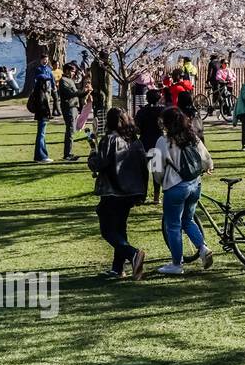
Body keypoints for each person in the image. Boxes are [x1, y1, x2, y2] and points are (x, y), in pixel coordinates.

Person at [88, 108, 149, 279]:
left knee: (108, 231)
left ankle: (133, 254)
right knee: (120, 229)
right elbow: (144, 167)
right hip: (130, 191)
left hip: (112, 191)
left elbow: (98, 164)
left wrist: (92, 153)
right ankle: (117, 268)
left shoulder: (110, 140)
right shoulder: (134, 141)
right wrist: (142, 192)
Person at [152, 106, 214, 276]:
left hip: (175, 187)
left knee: (173, 225)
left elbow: (157, 170)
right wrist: (208, 167)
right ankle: (202, 248)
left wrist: (159, 182)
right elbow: (205, 157)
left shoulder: (162, 142)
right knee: (188, 220)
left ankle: (177, 264)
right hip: (195, 184)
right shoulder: (192, 136)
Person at [26, 52, 58, 163]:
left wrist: (53, 88)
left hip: (43, 107)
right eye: (43, 59)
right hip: (42, 110)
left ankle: (41, 155)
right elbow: (39, 78)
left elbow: (52, 82)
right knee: (41, 133)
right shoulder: (38, 71)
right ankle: (41, 156)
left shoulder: (49, 70)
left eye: (46, 59)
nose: (45, 60)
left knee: (41, 133)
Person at [135, 90, 164, 202]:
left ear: (147, 99)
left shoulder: (142, 112)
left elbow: (137, 128)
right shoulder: (162, 111)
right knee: (156, 170)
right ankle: (156, 197)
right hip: (157, 142)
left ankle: (142, 196)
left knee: (143, 171)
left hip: (144, 142)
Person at [58, 62, 84, 162]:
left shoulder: (70, 80)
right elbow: (71, 94)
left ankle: (69, 153)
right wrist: (84, 92)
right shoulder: (63, 81)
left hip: (73, 107)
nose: (74, 73)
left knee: (71, 131)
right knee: (70, 131)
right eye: (72, 71)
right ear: (67, 71)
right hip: (68, 108)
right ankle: (67, 154)